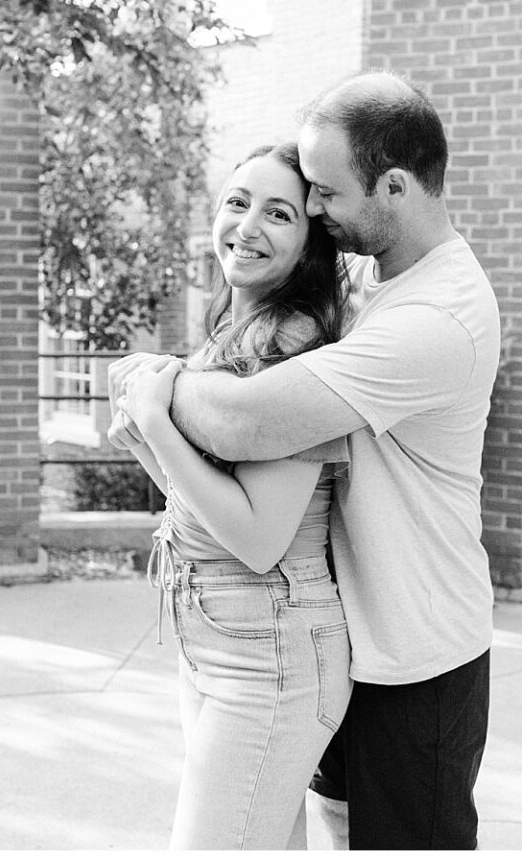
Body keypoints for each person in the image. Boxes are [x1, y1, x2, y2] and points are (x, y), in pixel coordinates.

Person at [110, 71, 501, 849]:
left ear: (393, 186)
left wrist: (147, 387)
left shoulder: (437, 317)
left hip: (414, 652)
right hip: (350, 635)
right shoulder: (368, 277)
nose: (316, 212)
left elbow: (247, 421)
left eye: (323, 193)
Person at [111, 142, 353, 849]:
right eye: (237, 201)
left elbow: (257, 537)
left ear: (309, 243)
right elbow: (207, 506)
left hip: (269, 647)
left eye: (278, 212)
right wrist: (144, 442)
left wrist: (158, 420)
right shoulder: (235, 329)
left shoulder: (295, 343)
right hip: (219, 635)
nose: (247, 224)